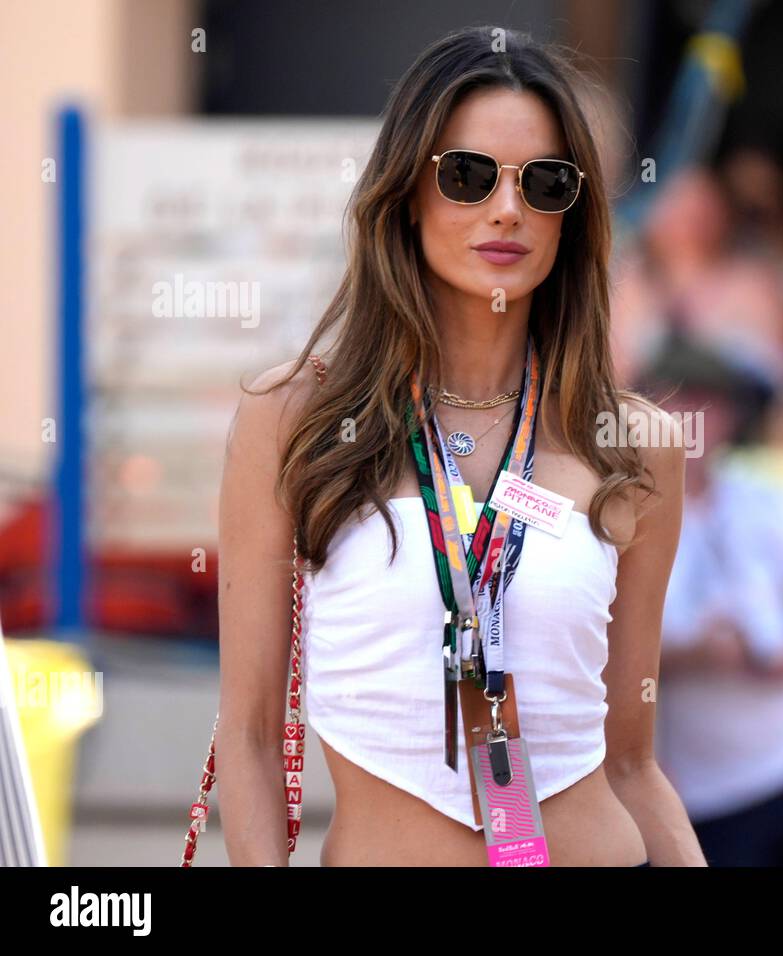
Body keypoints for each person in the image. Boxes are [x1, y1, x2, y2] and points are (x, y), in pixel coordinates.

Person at [216, 26, 704, 867]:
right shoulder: (290, 419)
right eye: (468, 176)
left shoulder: (635, 445)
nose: (506, 209)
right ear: (408, 192)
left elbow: (631, 759)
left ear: (572, 213)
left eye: (544, 183)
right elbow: (253, 739)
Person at [643, 333, 783, 866]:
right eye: (676, 403)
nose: (691, 421)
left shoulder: (770, 498)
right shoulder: (622, 519)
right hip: (705, 789)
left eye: (705, 405)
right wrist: (693, 654)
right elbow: (599, 656)